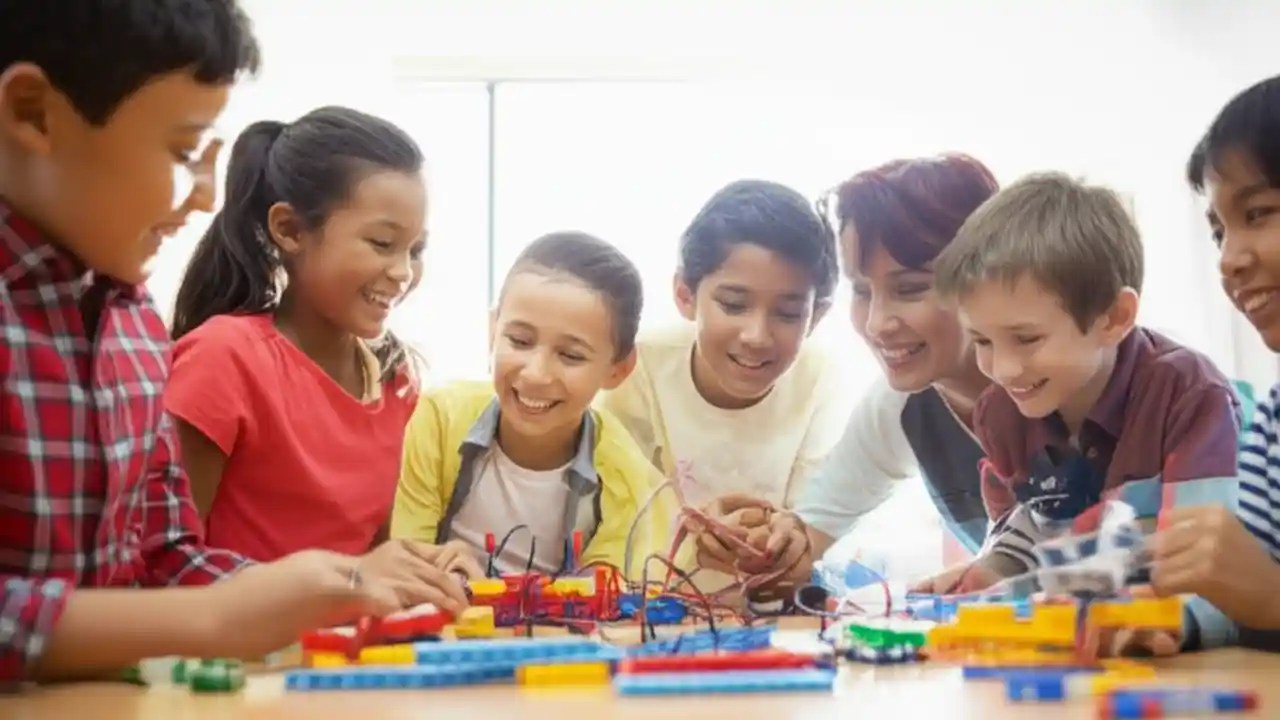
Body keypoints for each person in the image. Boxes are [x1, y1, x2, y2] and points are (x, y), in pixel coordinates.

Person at [0, 1, 468, 686]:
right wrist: (213, 619)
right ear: (34, 113)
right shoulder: (221, 353)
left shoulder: (130, 328)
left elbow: (164, 557)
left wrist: (342, 583)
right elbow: (196, 612)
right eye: (184, 152)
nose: (204, 197)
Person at [929, 172, 1240, 593]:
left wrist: (1025, 591)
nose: (1003, 370)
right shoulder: (1002, 413)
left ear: (1114, 318)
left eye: (1026, 339)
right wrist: (993, 571)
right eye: (982, 340)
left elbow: (1205, 563)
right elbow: (1033, 529)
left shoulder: (1189, 396)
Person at [711, 155, 1001, 584]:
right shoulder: (900, 406)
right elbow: (804, 543)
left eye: (910, 289)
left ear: (991, 274)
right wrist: (757, 543)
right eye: (863, 291)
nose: (877, 323)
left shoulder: (1077, 385)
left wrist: (996, 574)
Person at [164, 106, 433, 562]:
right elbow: (167, 561)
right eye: (382, 244)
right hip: (238, 633)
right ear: (289, 229)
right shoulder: (224, 358)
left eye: (416, 249)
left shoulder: (395, 379)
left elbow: (373, 560)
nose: (403, 272)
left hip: (350, 634)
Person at [391, 232, 669, 578]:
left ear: (618, 369)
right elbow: (405, 566)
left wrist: (488, 596)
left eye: (570, 355)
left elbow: (603, 601)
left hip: (553, 630)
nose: (536, 374)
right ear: (493, 331)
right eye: (519, 341)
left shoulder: (626, 475)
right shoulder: (440, 417)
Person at [598, 180, 850, 559]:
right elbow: (619, 524)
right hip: (654, 599)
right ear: (685, 296)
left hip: (777, 603)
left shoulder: (820, 379)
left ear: (816, 315)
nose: (757, 336)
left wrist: (780, 540)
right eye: (733, 305)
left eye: (787, 314)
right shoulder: (638, 369)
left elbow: (816, 522)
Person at [1155, 73, 1280, 652]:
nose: (1229, 259)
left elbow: (1266, 594)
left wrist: (1272, 598)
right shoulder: (1273, 423)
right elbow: (1244, 587)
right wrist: (1175, 621)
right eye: (1218, 232)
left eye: (1258, 214)